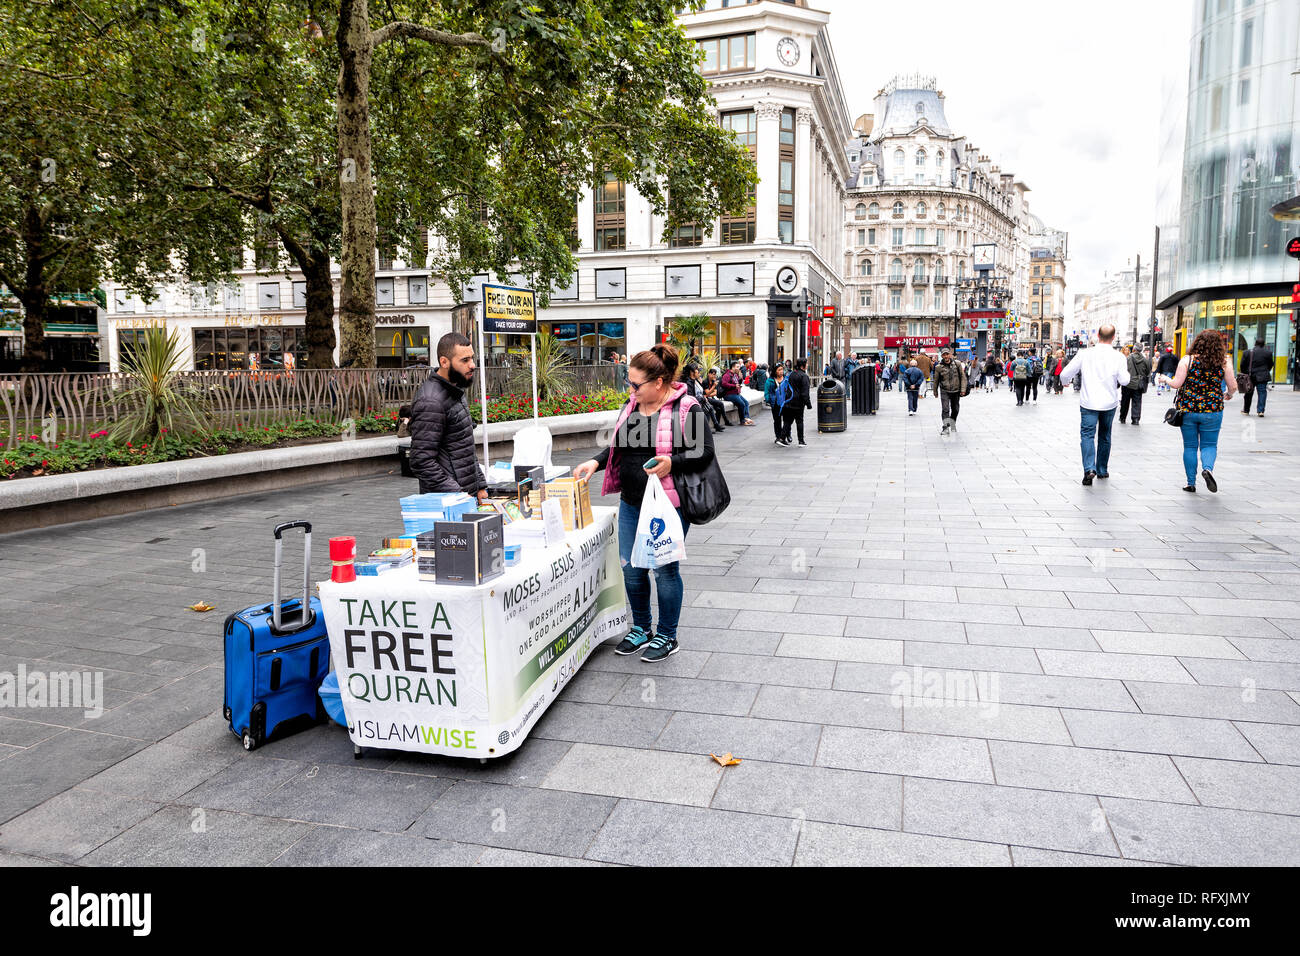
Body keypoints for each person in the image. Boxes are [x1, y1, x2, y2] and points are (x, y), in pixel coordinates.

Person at [572, 344, 714, 662]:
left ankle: (667, 634)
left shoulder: (686, 407)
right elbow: (617, 447)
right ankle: (641, 628)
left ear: (659, 383)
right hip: (632, 501)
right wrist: (596, 462)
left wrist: (671, 462)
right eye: (629, 383)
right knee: (631, 568)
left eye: (636, 384)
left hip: (669, 504)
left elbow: (704, 451)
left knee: (664, 569)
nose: (631, 389)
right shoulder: (632, 406)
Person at [408, 331, 488, 500]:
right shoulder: (430, 401)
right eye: (465, 360)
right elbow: (421, 461)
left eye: (472, 358)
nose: (472, 365)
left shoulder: (454, 390)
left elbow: (464, 446)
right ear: (444, 362)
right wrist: (457, 493)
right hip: (449, 503)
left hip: (464, 497)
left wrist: (480, 486)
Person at [1159, 329, 1237, 493]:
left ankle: (1190, 483)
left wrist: (1165, 378)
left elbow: (1177, 384)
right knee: (1209, 445)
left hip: (1188, 409)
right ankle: (1207, 469)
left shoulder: (1187, 360)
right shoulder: (1224, 361)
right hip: (1213, 410)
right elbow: (1233, 386)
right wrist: (1228, 395)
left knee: (1190, 447)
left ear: (1197, 343)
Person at [1057, 323, 1127, 486]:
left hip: (1089, 402)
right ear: (1113, 337)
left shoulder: (1085, 353)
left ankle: (1089, 469)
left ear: (1098, 336)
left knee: (1087, 435)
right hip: (1109, 403)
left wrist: (1065, 382)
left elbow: (1065, 373)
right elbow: (1125, 380)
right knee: (1105, 435)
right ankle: (1102, 469)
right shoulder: (1119, 357)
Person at [932, 348, 968, 436]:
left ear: (950, 355)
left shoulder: (957, 364)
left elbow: (963, 377)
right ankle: (945, 428)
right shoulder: (938, 367)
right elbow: (936, 380)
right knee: (945, 409)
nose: (946, 356)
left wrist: (963, 389)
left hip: (956, 390)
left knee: (955, 409)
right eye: (944, 355)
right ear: (942, 356)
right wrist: (935, 391)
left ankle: (952, 422)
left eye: (947, 354)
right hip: (945, 390)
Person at [685, 363, 724, 433]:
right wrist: (703, 398)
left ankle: (709, 427)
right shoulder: (689, 382)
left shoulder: (696, 381)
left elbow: (705, 393)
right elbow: (691, 397)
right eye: (697, 370)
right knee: (710, 408)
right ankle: (707, 428)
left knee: (711, 408)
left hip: (701, 401)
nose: (699, 372)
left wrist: (713, 387)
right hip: (696, 404)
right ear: (692, 372)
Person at [1241, 336, 1274, 417]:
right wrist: (1266, 371)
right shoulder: (1268, 353)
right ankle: (1260, 411)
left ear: (1255, 344)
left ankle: (1246, 410)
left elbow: (1242, 365)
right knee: (1262, 393)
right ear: (1264, 344)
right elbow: (1271, 364)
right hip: (1263, 376)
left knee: (1248, 393)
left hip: (1250, 375)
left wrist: (1245, 373)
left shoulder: (1247, 352)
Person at [1119, 344, 1151, 425]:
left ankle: (1123, 418)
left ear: (1133, 349)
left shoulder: (1128, 358)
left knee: (1125, 401)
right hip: (1138, 384)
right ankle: (1135, 419)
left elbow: (1123, 370)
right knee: (1137, 401)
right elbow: (1148, 371)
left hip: (1127, 383)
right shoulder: (1144, 359)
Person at [783, 357, 812, 445]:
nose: (807, 365)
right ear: (803, 365)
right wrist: (808, 404)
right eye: (806, 363)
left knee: (788, 421)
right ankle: (801, 440)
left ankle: (781, 437)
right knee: (799, 421)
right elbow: (805, 393)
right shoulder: (804, 376)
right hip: (798, 403)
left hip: (789, 401)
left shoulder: (792, 374)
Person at [764, 362, 794, 445]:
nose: (781, 371)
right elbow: (767, 391)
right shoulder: (770, 380)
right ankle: (778, 436)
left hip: (786, 402)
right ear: (775, 371)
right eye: (779, 370)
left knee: (787, 420)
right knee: (777, 421)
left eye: (782, 369)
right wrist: (768, 400)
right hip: (775, 403)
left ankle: (788, 434)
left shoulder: (786, 379)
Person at [719, 361, 755, 425]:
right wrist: (734, 386)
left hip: (736, 393)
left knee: (746, 403)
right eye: (737, 367)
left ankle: (746, 418)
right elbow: (724, 384)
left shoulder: (735, 374)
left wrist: (741, 378)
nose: (739, 368)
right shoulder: (727, 375)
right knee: (741, 404)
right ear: (733, 367)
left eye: (739, 367)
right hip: (729, 394)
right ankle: (742, 421)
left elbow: (738, 383)